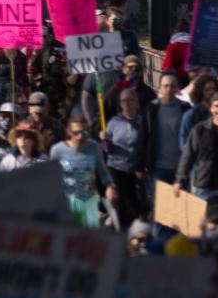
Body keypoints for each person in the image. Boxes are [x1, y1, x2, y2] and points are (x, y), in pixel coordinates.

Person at [177, 94, 218, 219]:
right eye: (216, 106)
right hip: (205, 186)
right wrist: (180, 179)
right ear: (211, 109)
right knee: (203, 226)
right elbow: (187, 156)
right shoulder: (199, 130)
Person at [49, 116, 113, 227]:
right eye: (76, 133)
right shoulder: (57, 150)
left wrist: (110, 186)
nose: (80, 136)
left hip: (88, 199)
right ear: (68, 132)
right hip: (67, 201)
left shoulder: (94, 147)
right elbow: (51, 176)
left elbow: (103, 171)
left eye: (84, 132)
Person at [103, 87, 149, 229]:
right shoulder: (113, 123)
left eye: (130, 100)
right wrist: (104, 141)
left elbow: (147, 145)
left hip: (136, 168)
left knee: (136, 203)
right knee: (120, 202)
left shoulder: (143, 122)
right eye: (123, 101)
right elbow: (107, 150)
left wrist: (143, 165)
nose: (127, 103)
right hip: (117, 167)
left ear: (136, 102)